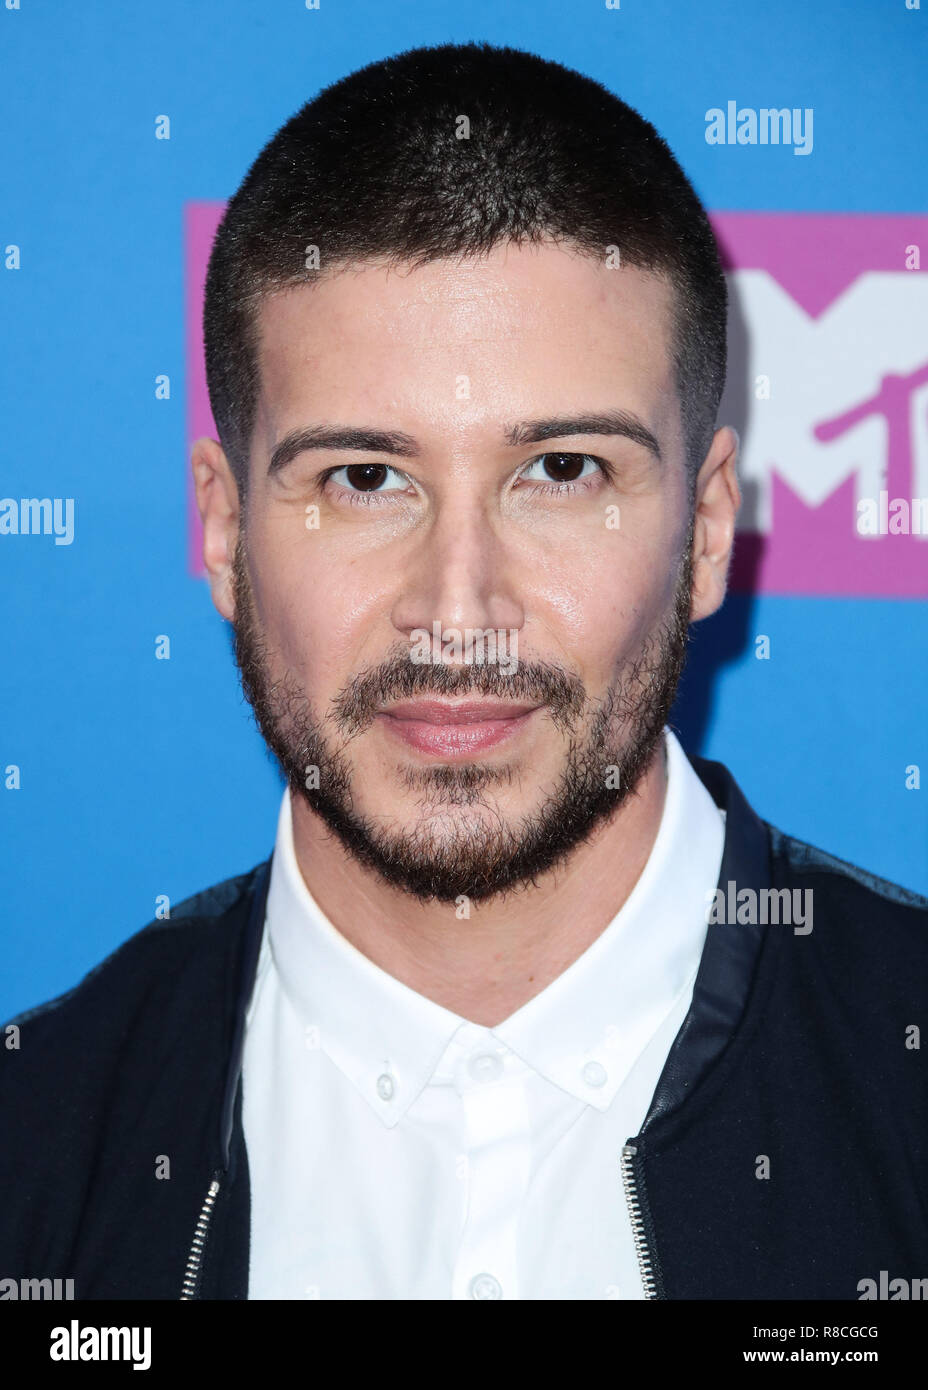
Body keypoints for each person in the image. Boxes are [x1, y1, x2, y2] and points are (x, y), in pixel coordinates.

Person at [2, 41, 925, 1302]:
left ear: (708, 531)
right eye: (364, 479)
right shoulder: (35, 1146)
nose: (458, 610)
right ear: (221, 531)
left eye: (561, 472)